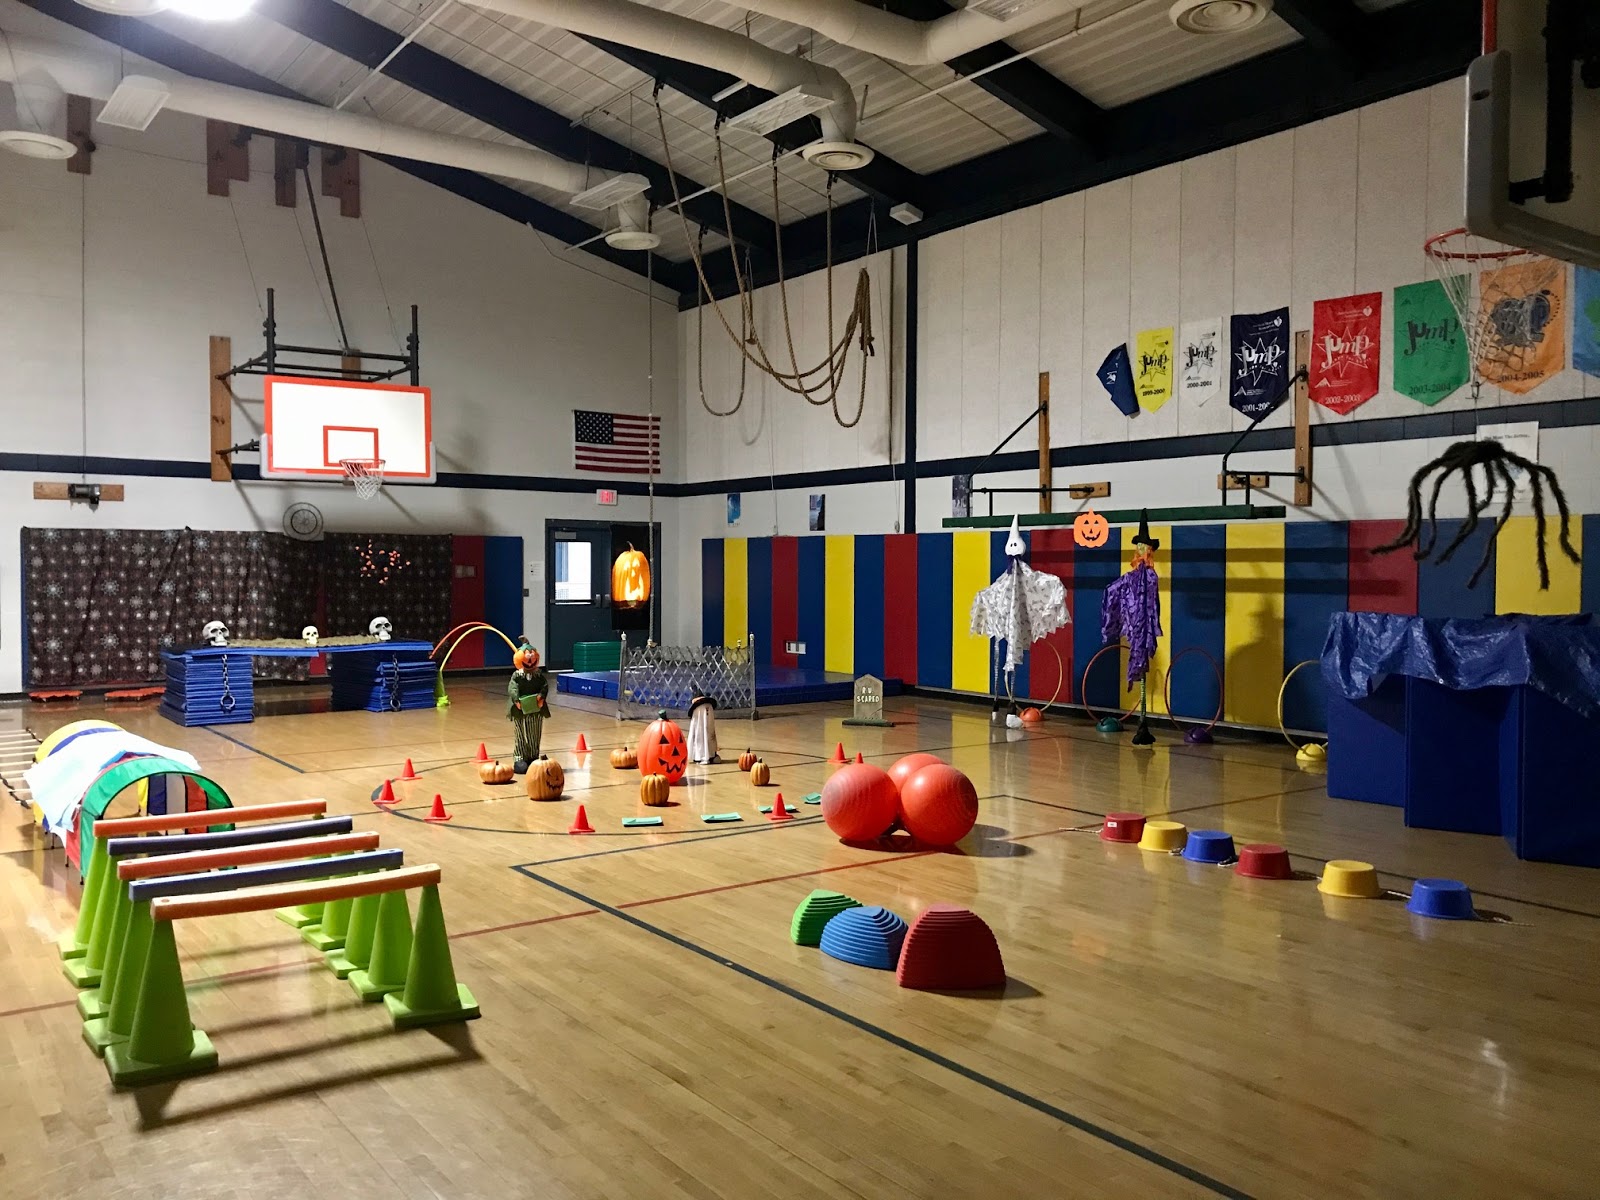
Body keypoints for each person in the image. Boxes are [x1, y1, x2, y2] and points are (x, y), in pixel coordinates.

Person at [507, 643, 550, 773]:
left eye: (532, 656)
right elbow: (512, 687)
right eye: (527, 656)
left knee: (535, 733)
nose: (530, 661)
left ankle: (533, 756)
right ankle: (519, 757)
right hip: (520, 708)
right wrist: (516, 699)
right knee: (520, 732)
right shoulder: (517, 675)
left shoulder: (538, 675)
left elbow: (545, 685)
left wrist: (541, 696)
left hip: (536, 708)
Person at [687, 685, 719, 764]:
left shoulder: (698, 708)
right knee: (708, 729)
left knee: (699, 730)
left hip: (699, 712)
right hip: (707, 712)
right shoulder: (709, 705)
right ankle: (710, 754)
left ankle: (700, 755)